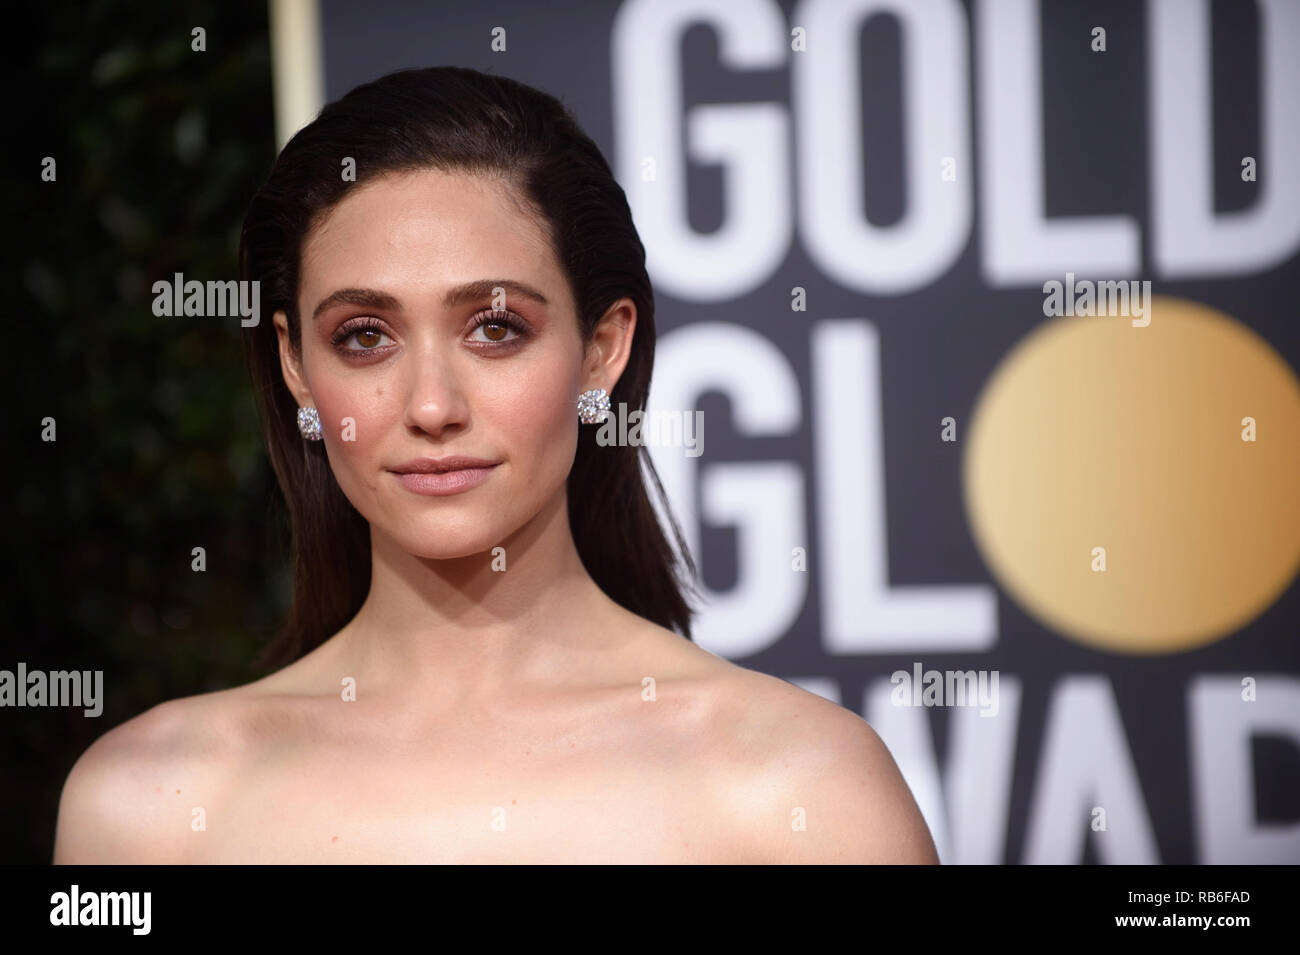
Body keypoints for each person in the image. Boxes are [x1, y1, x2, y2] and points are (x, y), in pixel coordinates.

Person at [53, 66, 938, 864]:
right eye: (364, 337)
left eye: (495, 327)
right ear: (296, 367)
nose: (432, 406)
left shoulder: (801, 790)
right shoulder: (149, 808)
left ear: (602, 350)